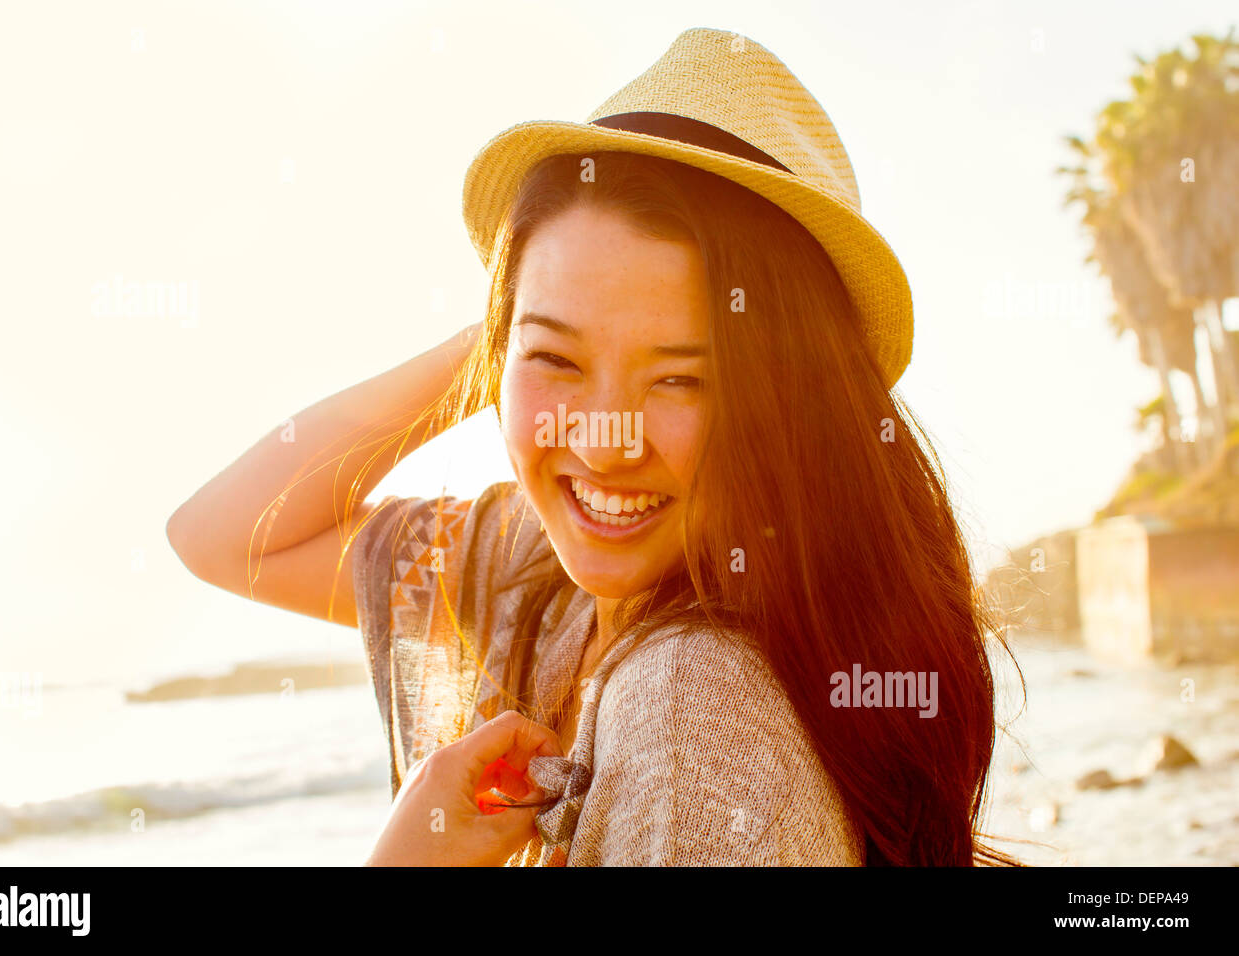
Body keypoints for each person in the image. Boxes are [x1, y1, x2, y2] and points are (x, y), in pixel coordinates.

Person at [167, 27, 1021, 866]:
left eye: (681, 378)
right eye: (557, 362)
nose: (604, 443)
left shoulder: (692, 714)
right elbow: (222, 536)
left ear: (791, 405)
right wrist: (508, 336)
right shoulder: (533, 578)